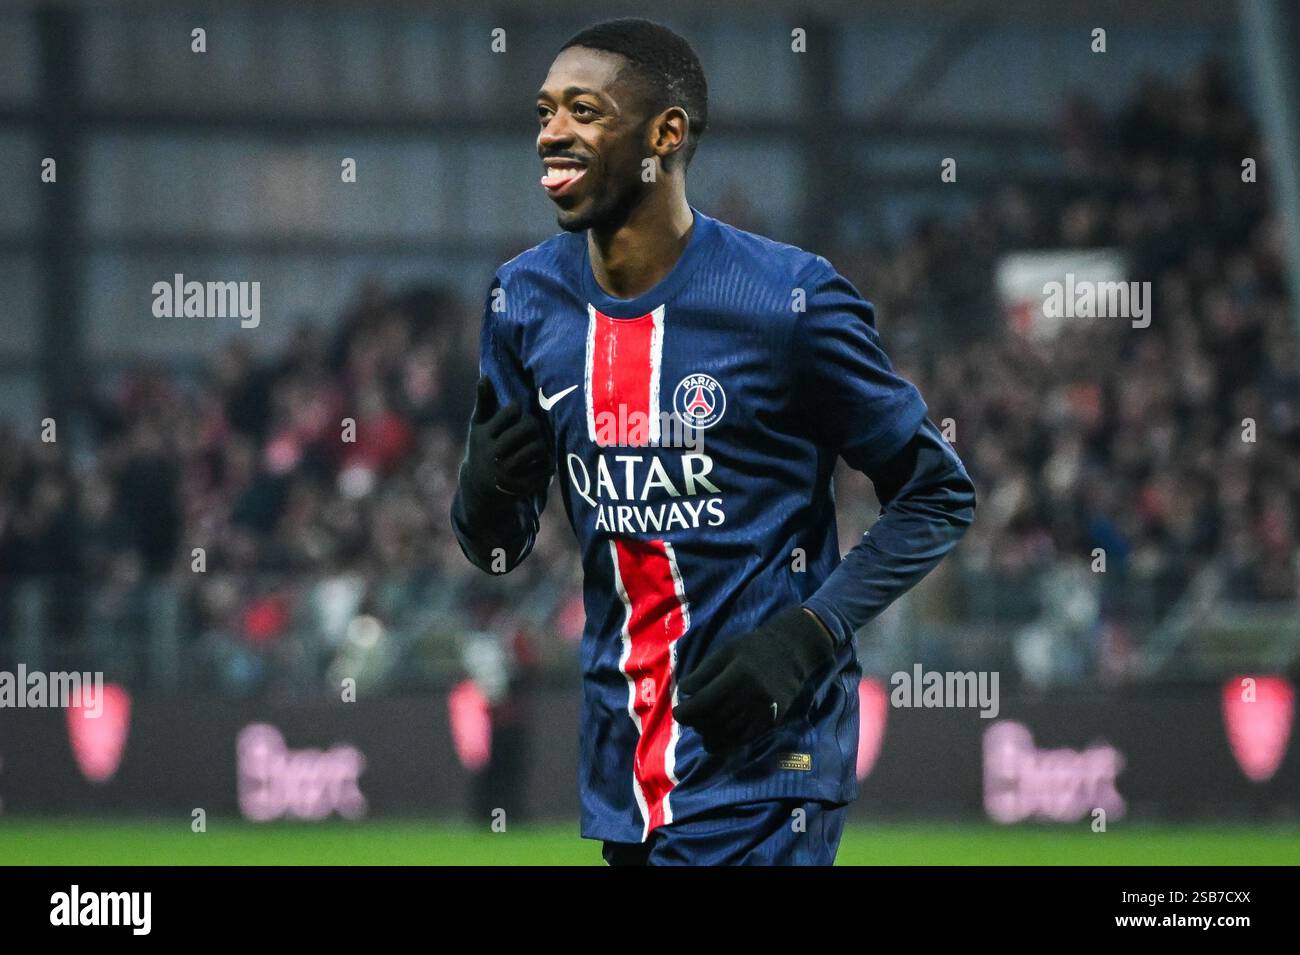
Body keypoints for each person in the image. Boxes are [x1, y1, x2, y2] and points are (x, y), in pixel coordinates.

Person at [451, 17, 976, 865]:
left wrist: (810, 633)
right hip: (624, 766)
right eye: (544, 110)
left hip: (768, 759)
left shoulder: (787, 300)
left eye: (583, 109)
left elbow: (937, 492)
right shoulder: (522, 301)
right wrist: (479, 496)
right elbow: (497, 547)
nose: (551, 131)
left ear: (667, 134)